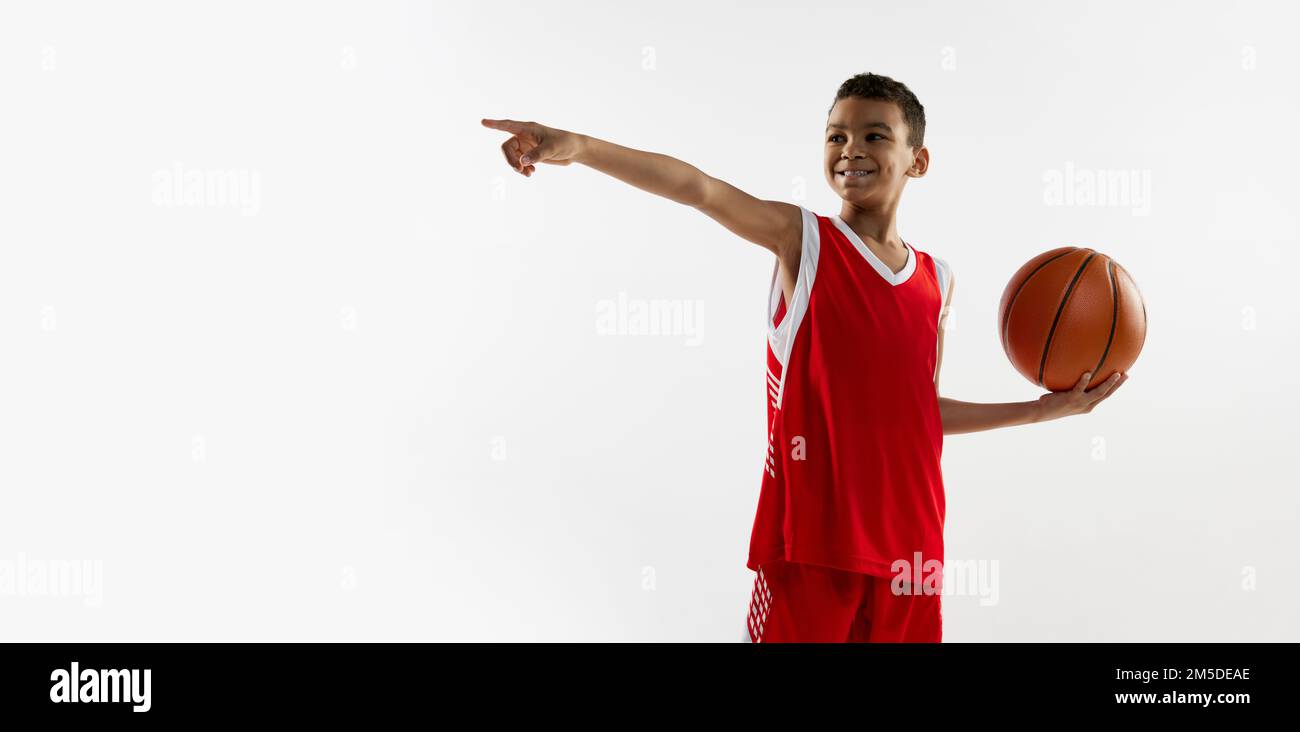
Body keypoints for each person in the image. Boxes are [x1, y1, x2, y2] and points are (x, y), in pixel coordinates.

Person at [482, 72, 1128, 643]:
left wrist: (1044, 411)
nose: (852, 150)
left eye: (875, 136)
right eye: (836, 137)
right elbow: (699, 189)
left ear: (918, 160)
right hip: (813, 548)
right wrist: (580, 147)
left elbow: (916, 412)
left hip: (911, 553)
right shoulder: (804, 241)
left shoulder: (939, 278)